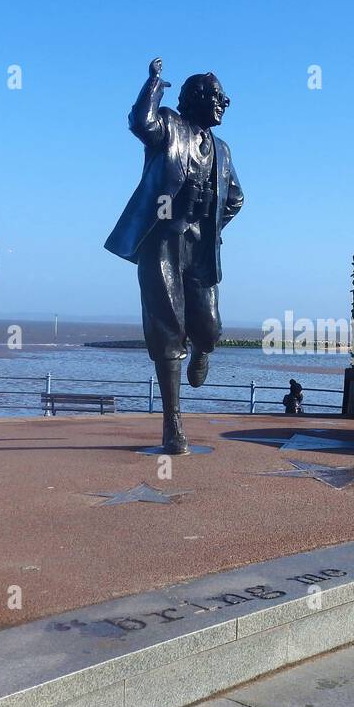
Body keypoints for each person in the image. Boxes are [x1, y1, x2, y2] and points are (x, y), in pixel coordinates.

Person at [105, 58, 245, 454]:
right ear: (196, 98)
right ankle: (173, 425)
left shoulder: (222, 149)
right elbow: (139, 123)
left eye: (226, 99)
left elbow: (236, 198)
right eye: (219, 97)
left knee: (210, 327)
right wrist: (153, 85)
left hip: (200, 248)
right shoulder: (169, 125)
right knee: (167, 330)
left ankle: (203, 349)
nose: (224, 104)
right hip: (162, 241)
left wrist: (212, 227)